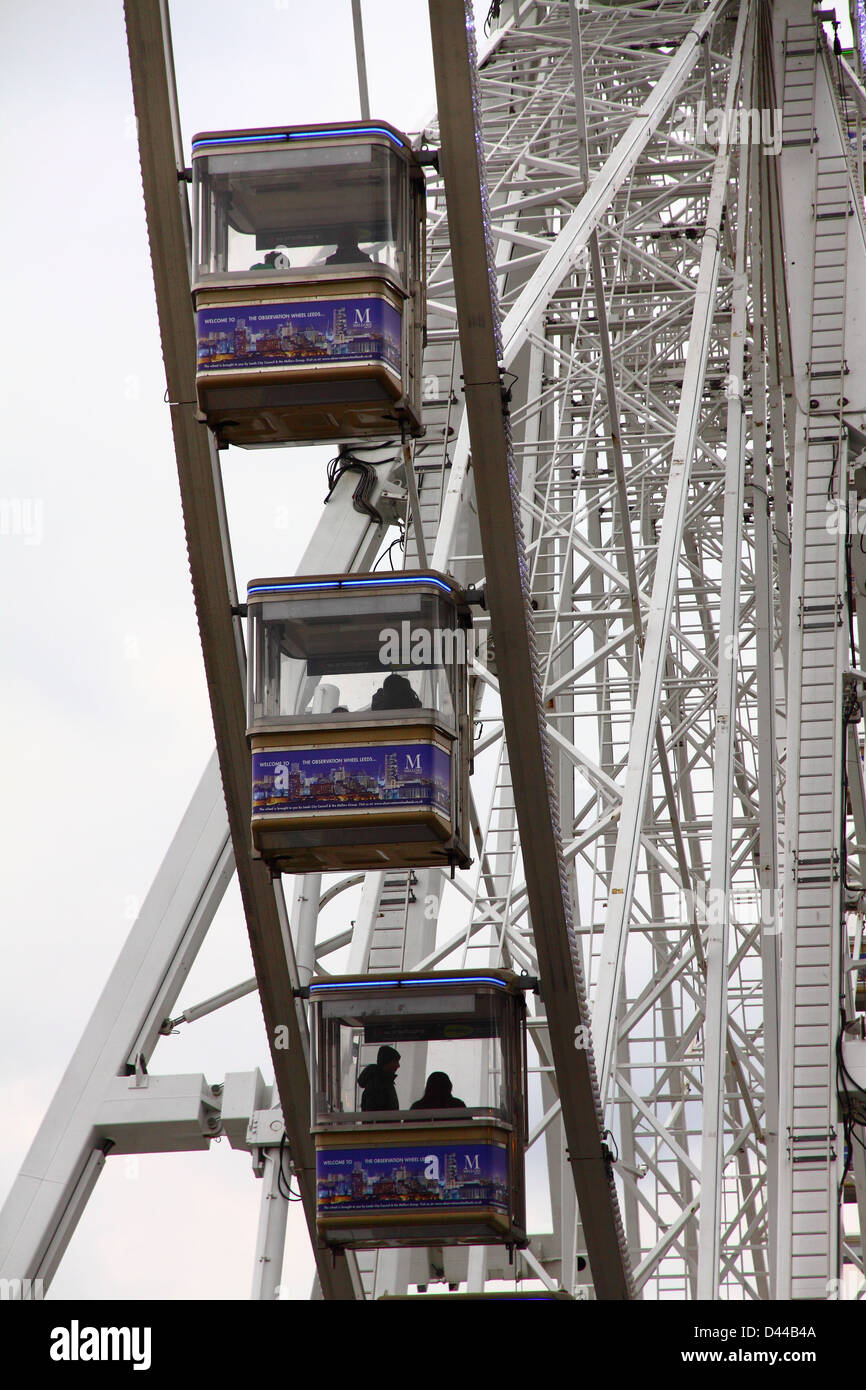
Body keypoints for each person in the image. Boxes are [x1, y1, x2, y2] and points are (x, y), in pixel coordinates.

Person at [358, 1045, 401, 1111]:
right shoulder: (378, 1084)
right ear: (387, 1062)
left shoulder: (378, 1081)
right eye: (395, 1061)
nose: (398, 1065)